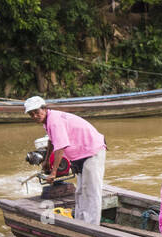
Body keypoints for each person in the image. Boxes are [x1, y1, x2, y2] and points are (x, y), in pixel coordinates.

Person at [25, 96, 107, 225]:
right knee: (80, 190)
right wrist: (46, 160)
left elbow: (60, 147)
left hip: (92, 151)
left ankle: (92, 226)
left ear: (45, 109)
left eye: (37, 112)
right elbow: (51, 141)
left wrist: (53, 172)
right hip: (80, 155)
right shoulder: (48, 121)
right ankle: (81, 222)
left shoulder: (54, 121)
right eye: (31, 114)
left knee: (92, 191)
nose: (35, 116)